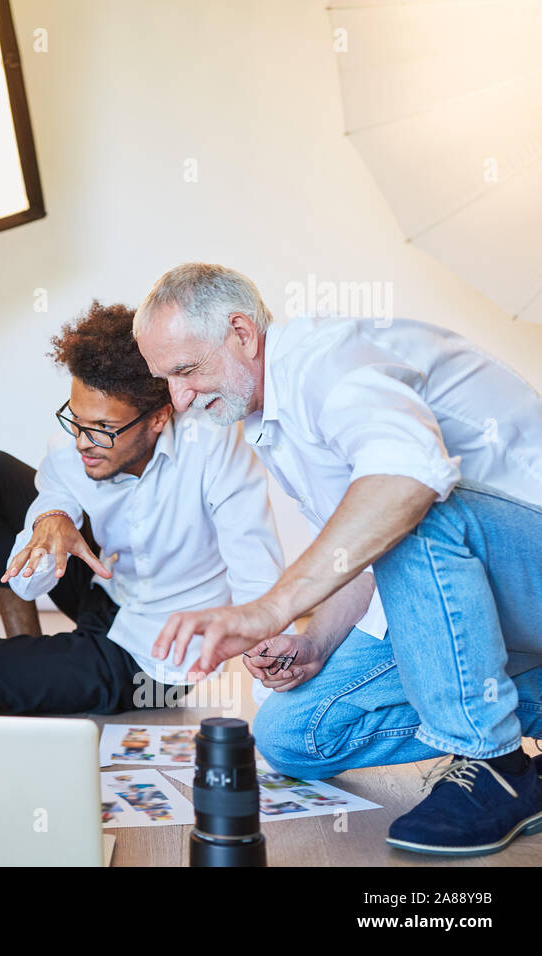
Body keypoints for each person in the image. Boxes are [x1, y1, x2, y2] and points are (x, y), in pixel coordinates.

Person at [134, 262, 542, 856]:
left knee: (414, 504)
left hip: (527, 564)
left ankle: (496, 760)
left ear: (243, 334)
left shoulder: (326, 363)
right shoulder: (265, 417)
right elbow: (363, 549)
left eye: (186, 370)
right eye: (164, 379)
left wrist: (269, 610)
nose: (180, 398)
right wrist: (316, 642)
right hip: (485, 598)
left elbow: (406, 489)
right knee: (294, 734)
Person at [0, 301, 289, 716]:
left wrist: (276, 705)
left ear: (159, 417)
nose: (84, 441)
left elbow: (257, 573)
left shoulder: (214, 442)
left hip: (154, 655)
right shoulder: (70, 452)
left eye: (104, 428)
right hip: (103, 586)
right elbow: (25, 585)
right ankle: (25, 649)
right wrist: (49, 519)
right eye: (77, 419)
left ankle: (11, 661)